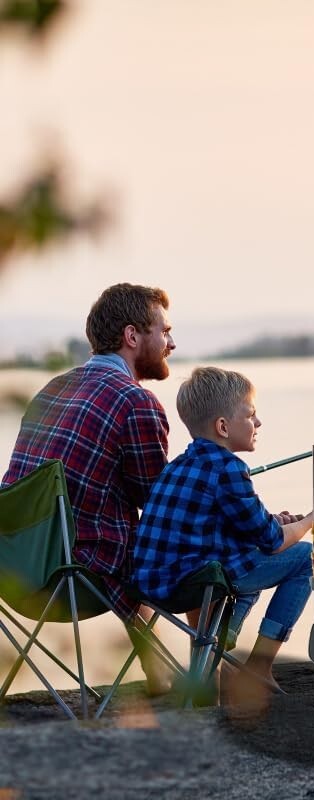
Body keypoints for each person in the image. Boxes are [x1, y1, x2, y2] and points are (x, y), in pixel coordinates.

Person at [2, 282, 176, 694]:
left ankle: (159, 672)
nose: (171, 343)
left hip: (15, 569)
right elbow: (159, 508)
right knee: (179, 541)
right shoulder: (136, 402)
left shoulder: (51, 389)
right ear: (132, 336)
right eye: (165, 331)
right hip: (72, 580)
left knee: (115, 533)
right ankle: (202, 678)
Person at [130, 366, 314, 708]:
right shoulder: (229, 469)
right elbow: (271, 541)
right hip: (194, 585)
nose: (258, 423)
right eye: (250, 415)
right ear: (223, 427)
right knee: (306, 557)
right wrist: (313, 520)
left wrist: (276, 522)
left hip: (151, 586)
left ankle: (216, 652)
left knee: (248, 555)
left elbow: (233, 524)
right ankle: (259, 665)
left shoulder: (176, 465)